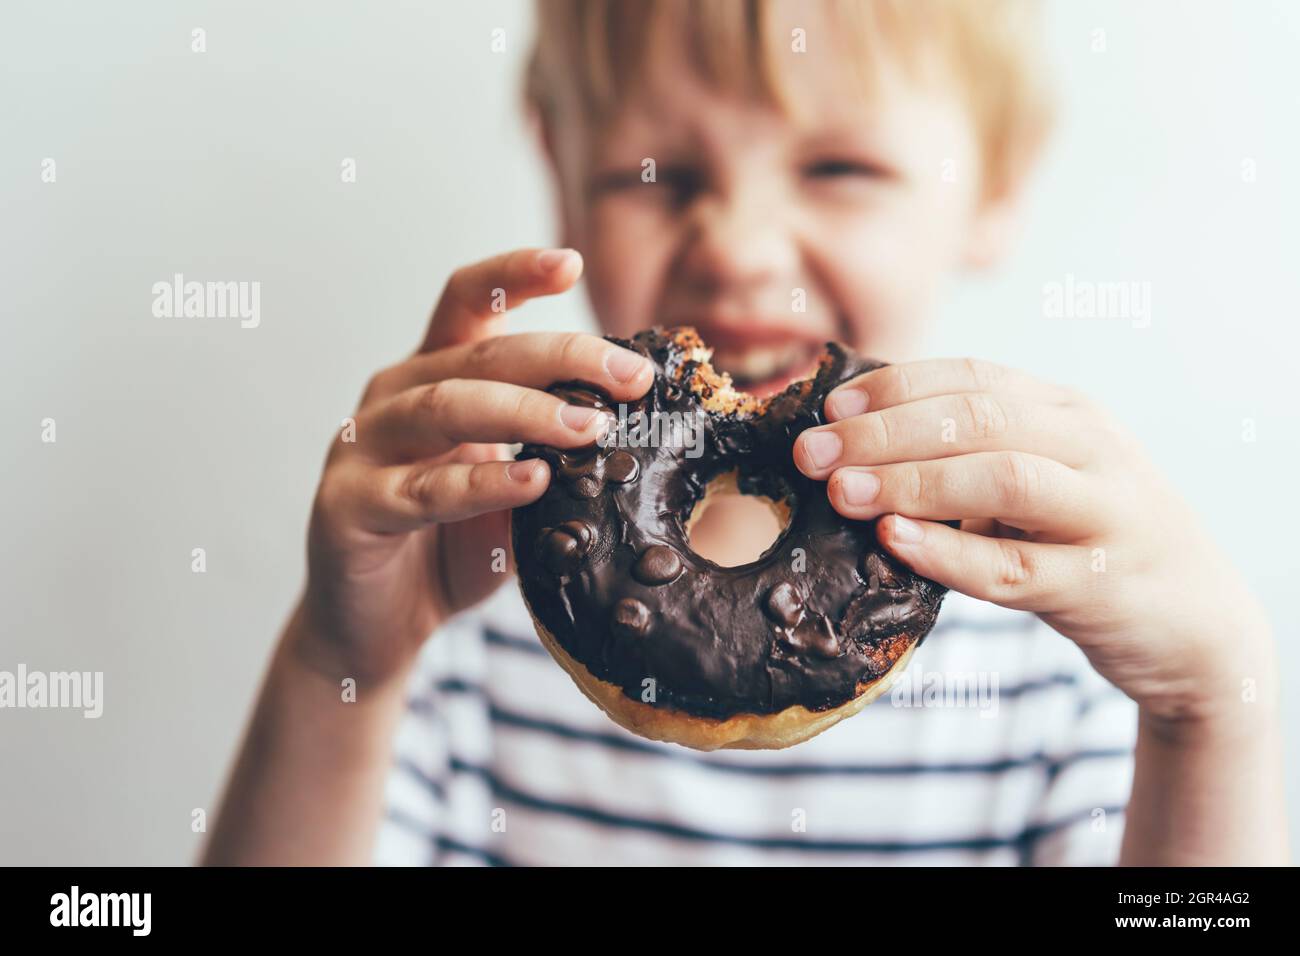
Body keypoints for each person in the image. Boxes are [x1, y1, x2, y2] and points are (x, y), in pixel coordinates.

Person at [202, 0, 1287, 866]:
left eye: (838, 169)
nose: (737, 248)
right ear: (562, 181)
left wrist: (1207, 718)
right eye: (659, 176)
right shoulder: (461, 621)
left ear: (993, 180)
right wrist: (340, 664)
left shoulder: (1061, 661)